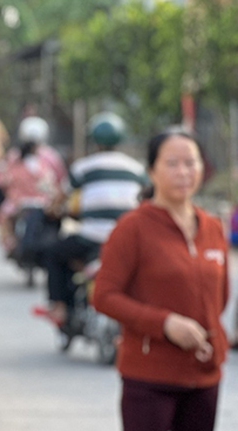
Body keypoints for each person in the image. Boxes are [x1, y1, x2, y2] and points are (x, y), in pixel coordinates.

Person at [94, 130, 230, 431]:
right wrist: (164, 324)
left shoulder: (213, 228)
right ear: (152, 171)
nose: (184, 172)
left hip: (203, 378)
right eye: (173, 163)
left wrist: (210, 336)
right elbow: (104, 295)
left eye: (191, 162)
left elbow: (219, 297)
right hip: (148, 378)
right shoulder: (134, 228)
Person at [44, 112, 145, 326]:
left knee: (53, 253)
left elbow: (60, 198)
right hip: (126, 241)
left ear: (94, 141)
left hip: (90, 238)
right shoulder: (136, 169)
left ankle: (60, 306)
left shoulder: (83, 167)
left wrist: (53, 209)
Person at [0, 116, 64, 253]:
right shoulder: (51, 156)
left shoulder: (14, 156)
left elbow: (3, 179)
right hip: (45, 202)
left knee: (4, 217)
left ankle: (10, 244)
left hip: (17, 203)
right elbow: (61, 179)